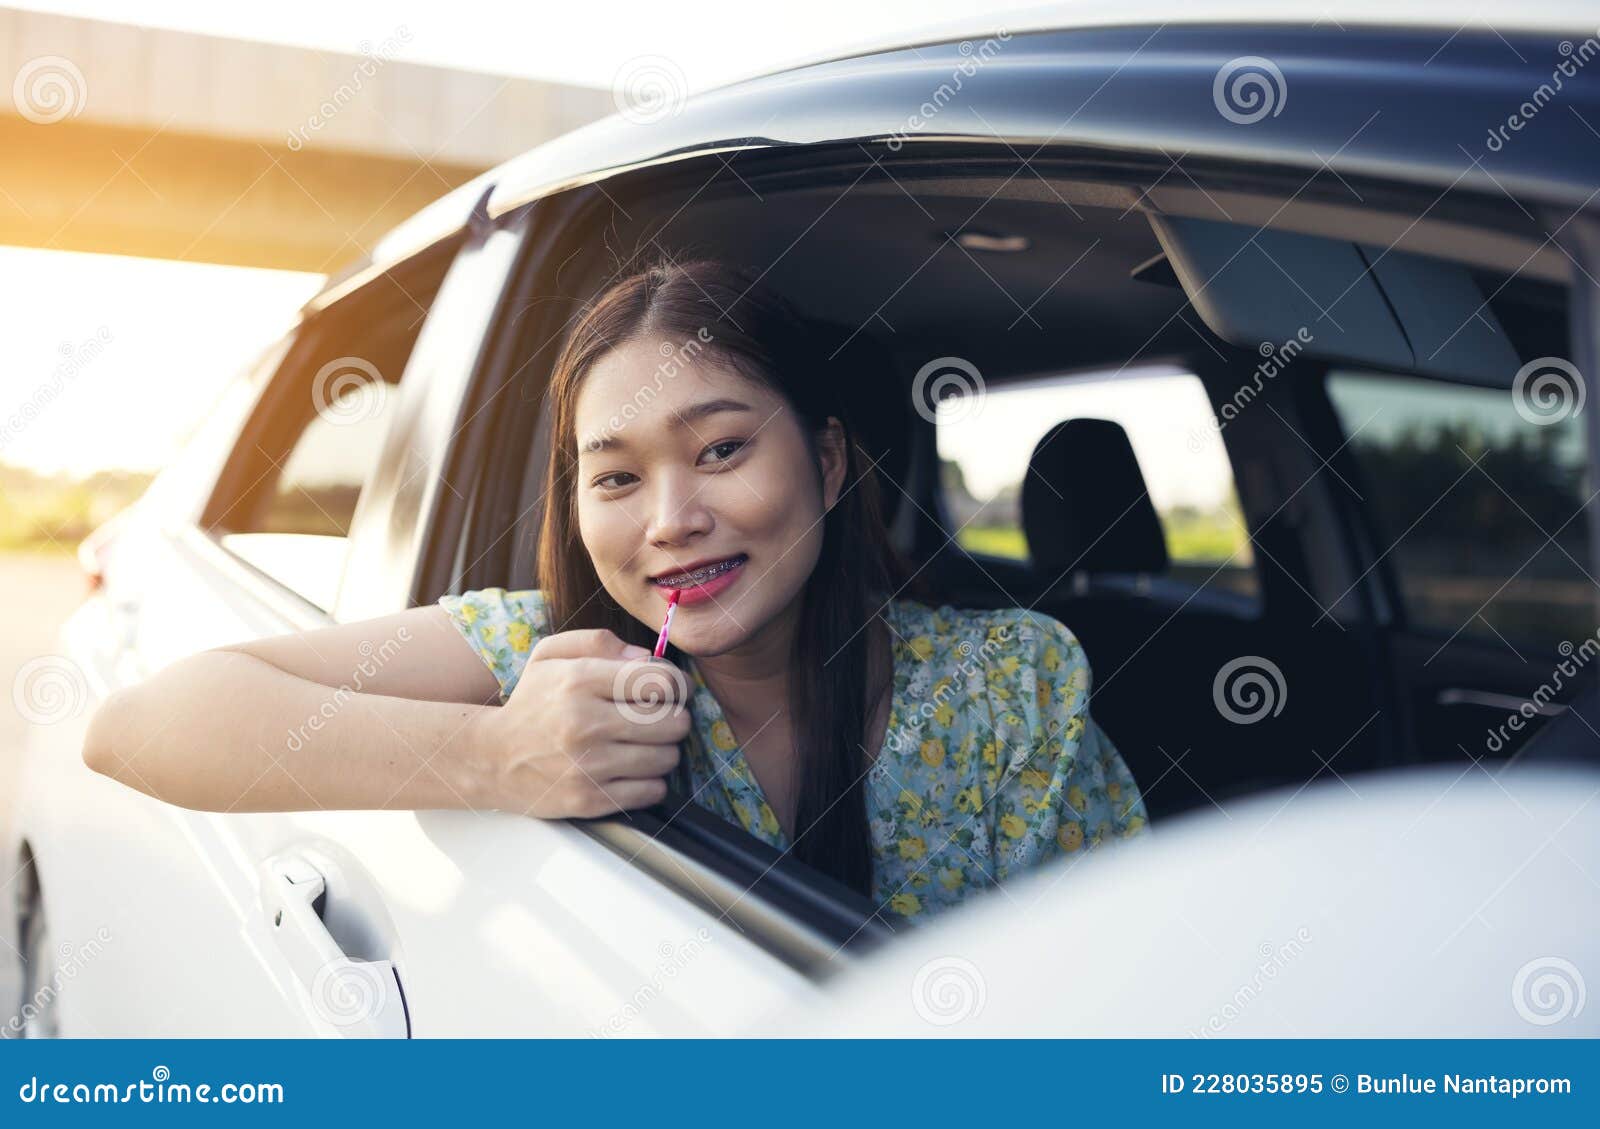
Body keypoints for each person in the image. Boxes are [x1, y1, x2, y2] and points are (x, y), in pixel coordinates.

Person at [85, 258, 1148, 925]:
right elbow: (137, 728)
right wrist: (494, 755)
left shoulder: (1006, 687)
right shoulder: (543, 656)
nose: (670, 519)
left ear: (827, 465)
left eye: (722, 448)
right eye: (617, 477)